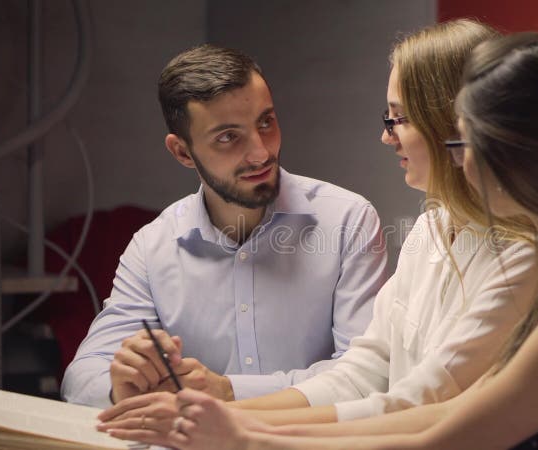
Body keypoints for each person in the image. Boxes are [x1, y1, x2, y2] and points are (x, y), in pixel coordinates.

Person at [104, 31, 538, 450]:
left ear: (516, 149)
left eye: (464, 137)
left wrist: (247, 434)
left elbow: (444, 428)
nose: (461, 157)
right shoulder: (448, 231)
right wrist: (233, 419)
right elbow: (423, 400)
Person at [61, 44, 389, 408]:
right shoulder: (152, 247)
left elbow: (369, 377)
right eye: (228, 137)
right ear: (182, 153)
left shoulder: (347, 222)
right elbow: (81, 378)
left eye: (266, 122)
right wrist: (119, 387)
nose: (261, 152)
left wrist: (229, 392)